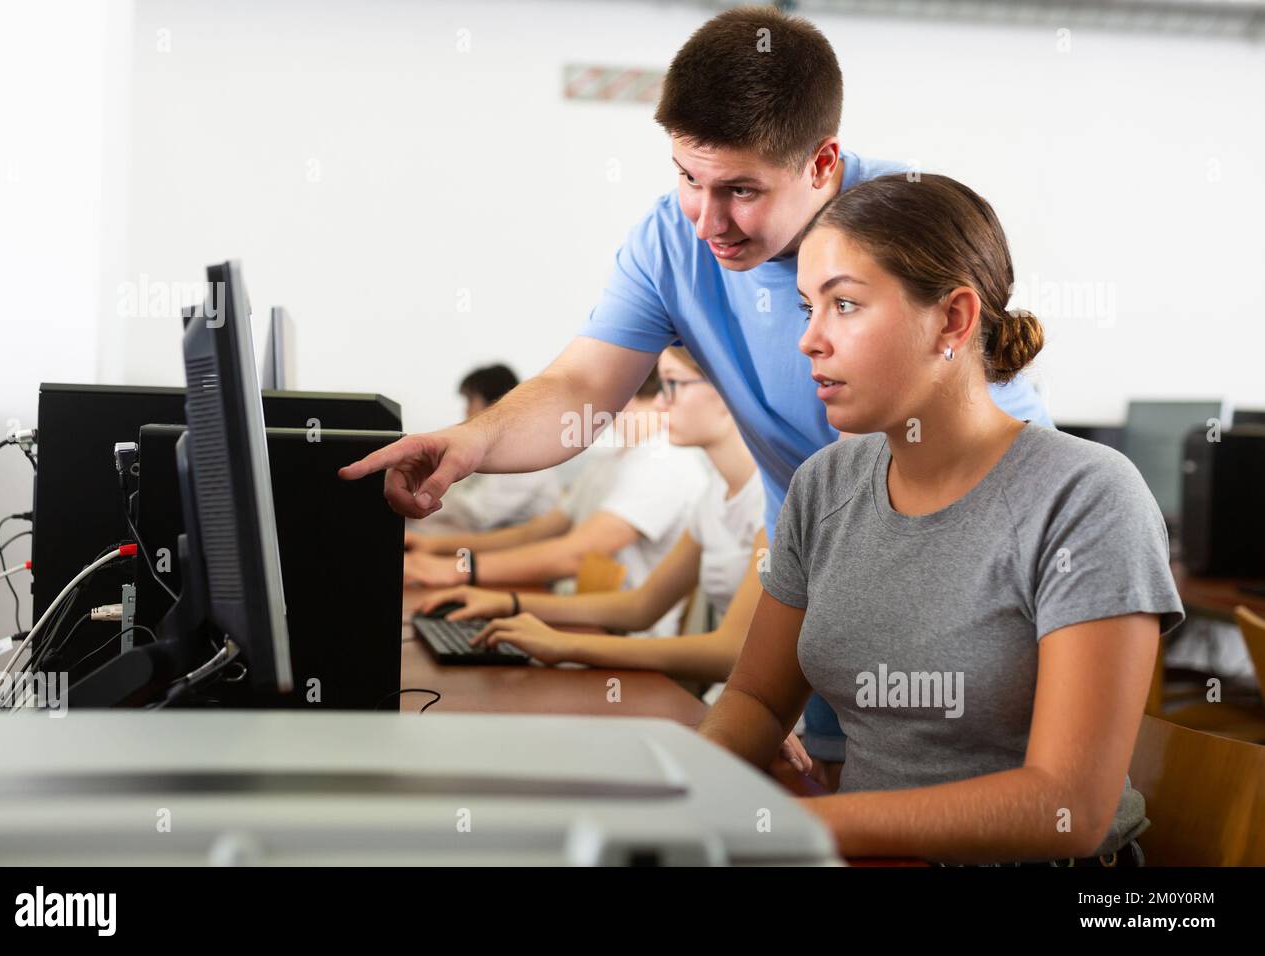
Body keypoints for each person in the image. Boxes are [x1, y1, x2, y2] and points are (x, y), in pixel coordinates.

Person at [341, 7, 1052, 758]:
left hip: (952, 572)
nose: (707, 221)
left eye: (742, 190)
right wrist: (470, 441)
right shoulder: (671, 240)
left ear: (822, 164)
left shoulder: (903, 231)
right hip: (817, 574)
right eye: (688, 177)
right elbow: (584, 385)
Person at [698, 173, 1184, 865]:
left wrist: (812, 826)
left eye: (844, 304)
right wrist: (691, 791)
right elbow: (756, 697)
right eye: (808, 307)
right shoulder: (823, 486)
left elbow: (1067, 808)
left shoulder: (1087, 496)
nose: (809, 340)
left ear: (954, 320)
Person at [416, 347, 765, 678]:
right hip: (619, 636)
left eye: (672, 385)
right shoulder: (713, 493)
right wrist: (508, 602)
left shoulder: (713, 480)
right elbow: (641, 605)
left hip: (639, 655)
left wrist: (565, 644)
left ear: (726, 389)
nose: (661, 401)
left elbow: (730, 652)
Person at [404, 365, 710, 636]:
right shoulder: (610, 462)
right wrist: (437, 548)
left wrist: (459, 569)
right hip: (575, 616)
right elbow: (536, 532)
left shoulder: (666, 463)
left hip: (616, 634)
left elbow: (576, 554)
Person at [413, 364, 561, 535]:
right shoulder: (490, 450)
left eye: (470, 401)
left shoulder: (526, 454)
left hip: (513, 550)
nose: (466, 410)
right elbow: (455, 496)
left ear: (494, 404)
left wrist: (417, 506)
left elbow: (474, 515)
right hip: (484, 539)